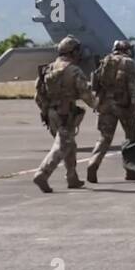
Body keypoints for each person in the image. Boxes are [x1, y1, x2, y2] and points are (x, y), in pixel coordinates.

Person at [33, 36, 96, 193]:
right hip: (65, 113)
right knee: (62, 145)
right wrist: (97, 106)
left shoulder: (48, 68)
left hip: (51, 113)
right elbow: (85, 93)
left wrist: (46, 111)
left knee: (70, 145)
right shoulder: (73, 70)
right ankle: (42, 173)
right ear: (73, 52)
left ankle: (72, 178)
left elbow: (38, 95)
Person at [87, 39, 135, 183]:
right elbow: (133, 87)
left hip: (105, 105)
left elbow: (95, 85)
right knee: (131, 138)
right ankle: (132, 171)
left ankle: (93, 163)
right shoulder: (128, 63)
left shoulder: (105, 61)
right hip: (124, 106)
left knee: (105, 138)